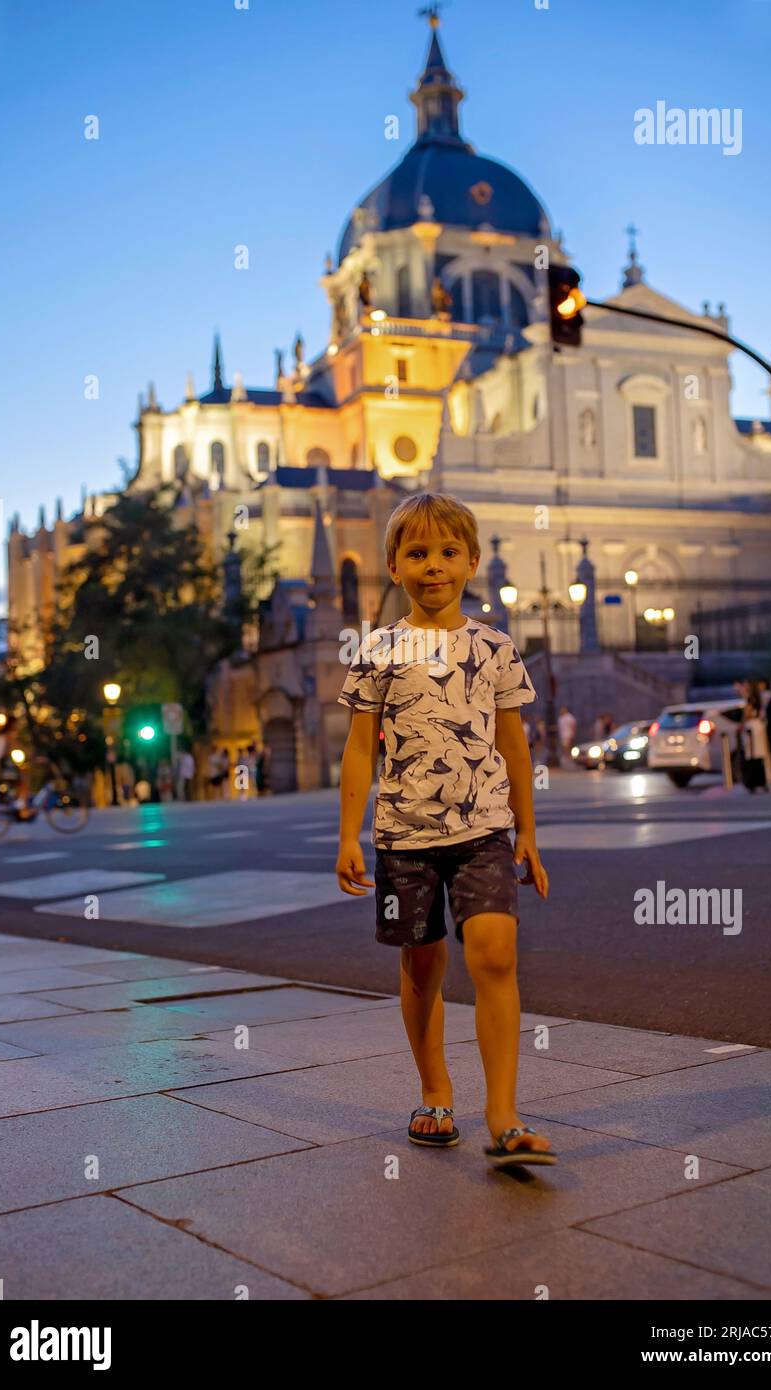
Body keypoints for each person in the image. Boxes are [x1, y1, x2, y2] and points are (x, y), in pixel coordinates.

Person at [336, 491, 554, 1168]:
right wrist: (348, 834)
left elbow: (515, 747)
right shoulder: (379, 651)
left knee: (495, 953)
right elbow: (359, 749)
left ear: (473, 561)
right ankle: (435, 1092)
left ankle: (504, 1113)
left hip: (483, 828)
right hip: (403, 837)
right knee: (422, 965)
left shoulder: (493, 646)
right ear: (394, 568)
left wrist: (527, 832)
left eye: (448, 552)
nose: (435, 566)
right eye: (418, 554)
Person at [737, 687, 768, 793]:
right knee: (759, 757)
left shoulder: (750, 702)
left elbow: (747, 715)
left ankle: (752, 782)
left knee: (750, 756)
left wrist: (741, 726)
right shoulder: (759, 700)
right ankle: (761, 782)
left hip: (751, 730)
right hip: (758, 729)